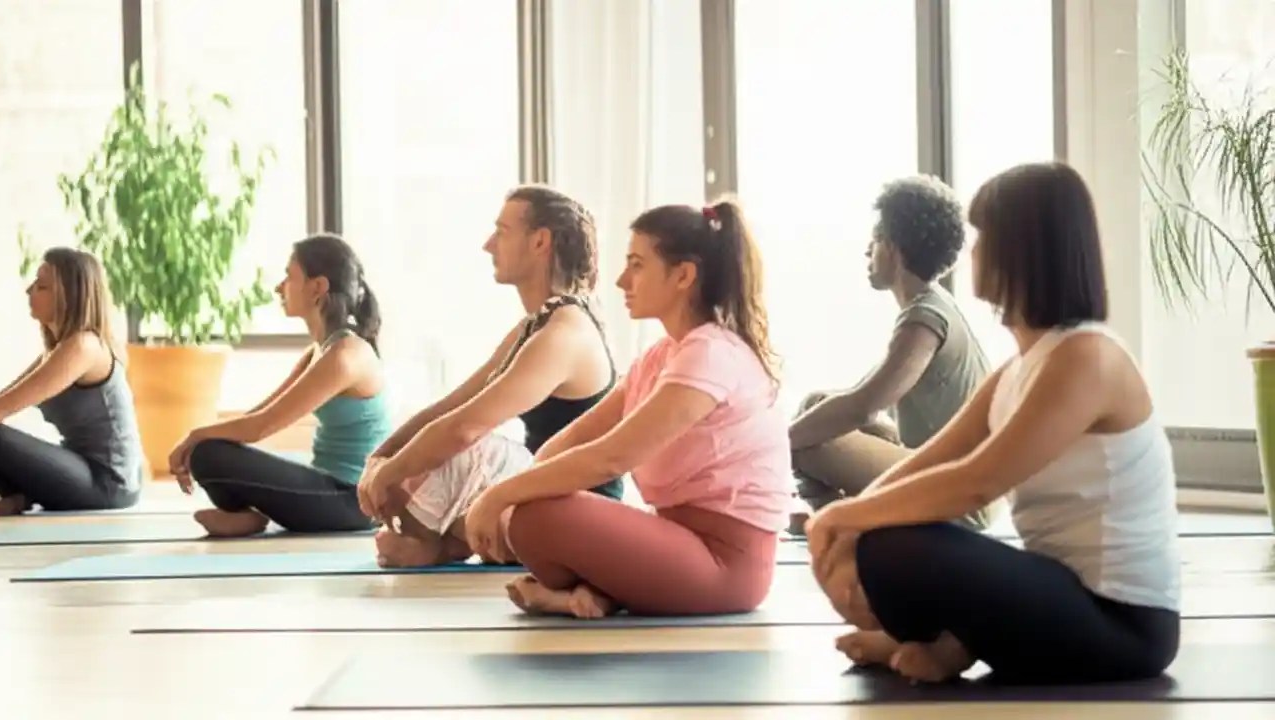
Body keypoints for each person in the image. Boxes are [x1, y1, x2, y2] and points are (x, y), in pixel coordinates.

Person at [805, 162, 1181, 686]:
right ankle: (953, 644)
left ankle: (954, 642)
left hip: (1125, 626)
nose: (972, 250)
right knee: (880, 537)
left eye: (983, 236)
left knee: (891, 547)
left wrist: (842, 518)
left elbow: (976, 481)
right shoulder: (1024, 364)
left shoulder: (1087, 357)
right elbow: (932, 460)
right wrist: (847, 530)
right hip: (1061, 592)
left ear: (1023, 249)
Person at [461, 198, 792, 619]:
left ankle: (600, 591)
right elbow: (577, 437)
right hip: (678, 538)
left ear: (683, 276)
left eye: (637, 264)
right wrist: (515, 494)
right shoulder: (662, 355)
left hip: (727, 567)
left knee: (533, 518)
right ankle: (600, 593)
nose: (621, 280)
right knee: (524, 514)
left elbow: (612, 456)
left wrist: (499, 496)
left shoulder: (711, 354)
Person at [357, 185, 624, 568]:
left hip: (579, 511)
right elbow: (453, 406)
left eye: (501, 231)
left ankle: (441, 540)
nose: (488, 245)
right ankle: (447, 540)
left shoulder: (565, 332)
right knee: (425, 448)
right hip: (540, 489)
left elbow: (465, 427)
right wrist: (380, 458)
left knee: (466, 447)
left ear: (540, 241)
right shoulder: (534, 326)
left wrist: (388, 475)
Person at [788, 176, 992, 531]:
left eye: (876, 239)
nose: (868, 251)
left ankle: (835, 522)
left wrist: (772, 443)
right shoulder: (932, 305)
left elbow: (865, 405)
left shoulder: (925, 319)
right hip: (942, 470)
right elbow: (861, 401)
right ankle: (843, 516)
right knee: (816, 405)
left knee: (807, 445)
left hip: (956, 494)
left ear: (893, 248)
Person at [168, 234, 390, 536]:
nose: (278, 287)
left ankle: (248, 514)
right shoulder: (320, 351)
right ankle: (246, 515)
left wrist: (193, 438)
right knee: (210, 449)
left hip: (352, 501)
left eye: (288, 276)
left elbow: (261, 427)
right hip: (325, 483)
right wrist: (201, 440)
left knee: (208, 453)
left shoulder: (346, 355)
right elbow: (256, 416)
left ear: (318, 287)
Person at [0, 247, 142, 515]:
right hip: (80, 467)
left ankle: (22, 495)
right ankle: (20, 496)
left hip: (109, 482)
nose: (29, 291)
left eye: (42, 286)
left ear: (69, 296)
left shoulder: (84, 346)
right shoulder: (57, 351)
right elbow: (1, 401)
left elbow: (0, 409)